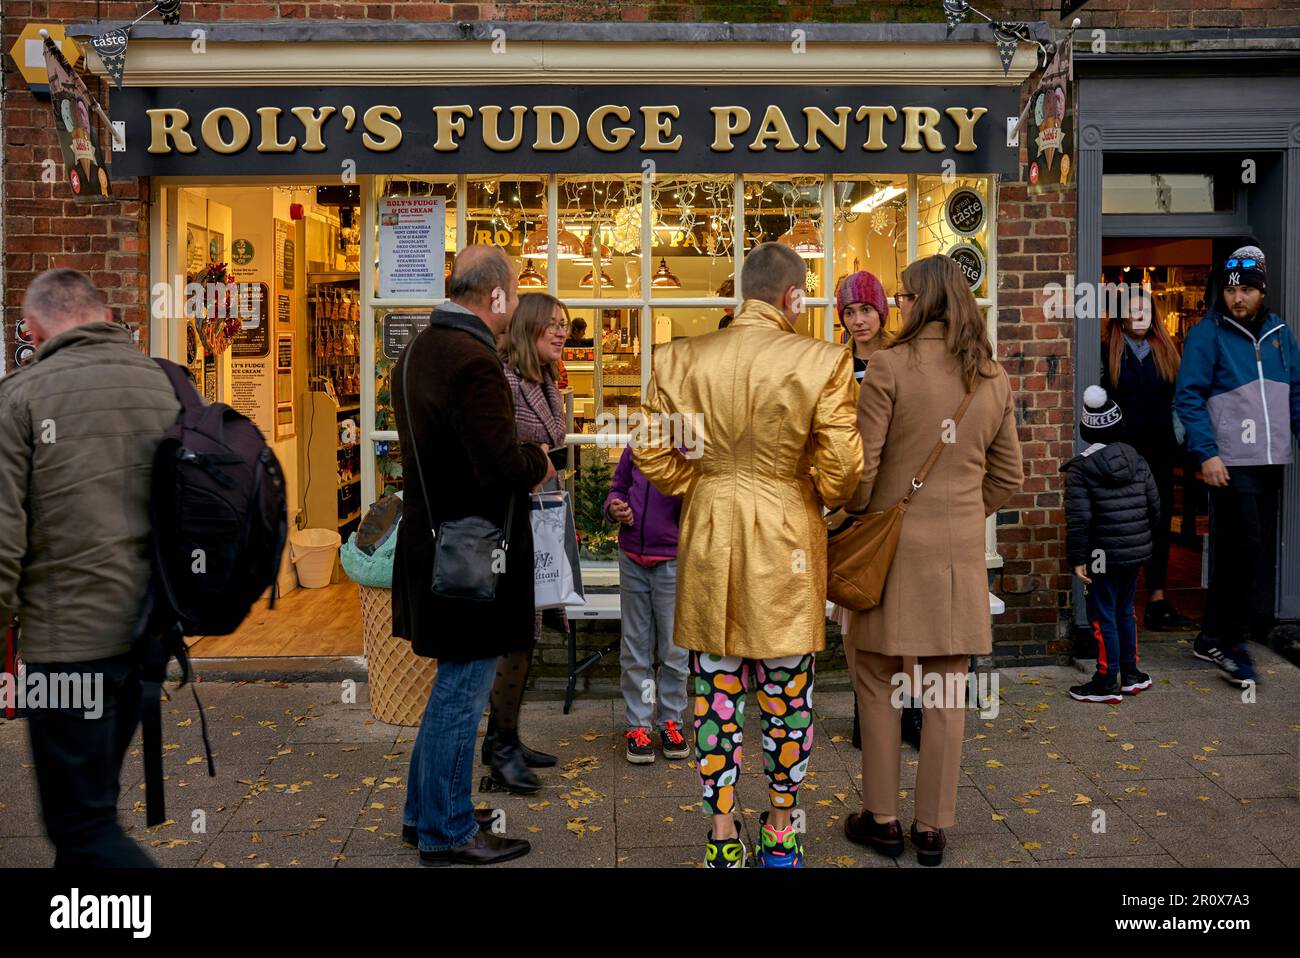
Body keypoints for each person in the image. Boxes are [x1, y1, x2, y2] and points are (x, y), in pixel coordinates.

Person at [634, 241, 863, 868]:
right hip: (787, 535)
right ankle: (782, 828)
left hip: (710, 529)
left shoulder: (678, 358)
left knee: (714, 692)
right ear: (793, 297)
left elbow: (650, 452)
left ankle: (723, 834)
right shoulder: (823, 361)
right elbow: (844, 472)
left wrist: (702, 484)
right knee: (787, 694)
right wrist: (804, 487)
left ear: (742, 292)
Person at [842, 254, 1022, 867]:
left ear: (924, 301)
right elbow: (1009, 474)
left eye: (904, 296)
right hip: (958, 556)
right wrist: (965, 515)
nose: (900, 305)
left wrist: (852, 516)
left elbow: (862, 472)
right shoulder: (991, 376)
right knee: (946, 689)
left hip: (890, 553)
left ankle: (883, 819)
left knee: (877, 681)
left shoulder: (889, 367)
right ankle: (932, 828)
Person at [0, 269, 181, 867]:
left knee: (81, 825)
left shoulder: (22, 397)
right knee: (91, 811)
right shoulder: (163, 386)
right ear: (105, 315)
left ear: (32, 328)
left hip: (67, 645)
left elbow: (4, 542)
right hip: (145, 639)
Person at [393, 245, 555, 866]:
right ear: (495, 297)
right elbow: (499, 467)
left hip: (431, 543)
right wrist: (538, 460)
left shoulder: (417, 351)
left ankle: (424, 813)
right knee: (462, 691)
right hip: (471, 555)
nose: (513, 307)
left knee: (449, 688)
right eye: (512, 296)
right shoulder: (474, 361)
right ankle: (449, 830)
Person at [1175, 245, 1300, 688]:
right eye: (1231, 290)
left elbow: (1296, 392)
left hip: (1271, 460)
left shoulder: (1281, 333)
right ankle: (1231, 643)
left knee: (1247, 551)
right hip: (1229, 461)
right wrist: (1207, 452)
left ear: (1261, 291)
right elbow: (1188, 397)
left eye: (1247, 289)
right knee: (1242, 549)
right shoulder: (1207, 333)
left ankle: (1211, 635)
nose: (1238, 298)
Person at [479, 293, 572, 792]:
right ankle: (499, 748)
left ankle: (507, 736)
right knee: (514, 635)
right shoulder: (507, 378)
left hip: (538, 513)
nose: (561, 332)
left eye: (564, 325)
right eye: (551, 325)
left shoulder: (544, 377)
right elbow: (502, 447)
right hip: (511, 519)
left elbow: (547, 439)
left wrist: (537, 453)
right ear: (528, 327)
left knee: (527, 632)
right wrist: (534, 455)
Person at [1062, 386, 1160, 704]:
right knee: (1125, 610)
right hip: (1133, 551)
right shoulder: (1138, 460)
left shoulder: (1081, 469)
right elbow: (1154, 506)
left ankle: (1106, 680)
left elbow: (1080, 519)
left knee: (1102, 613)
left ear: (1086, 430)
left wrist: (1078, 558)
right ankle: (1131, 675)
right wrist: (1139, 540)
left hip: (1101, 553)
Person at [1101, 286, 1189, 631]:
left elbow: (1178, 401)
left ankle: (1156, 596)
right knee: (1122, 525)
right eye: (1133, 311)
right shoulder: (1108, 352)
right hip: (1122, 455)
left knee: (1158, 522)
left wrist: (1177, 436)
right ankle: (1122, 601)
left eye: (1146, 311)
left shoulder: (1166, 352)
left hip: (1159, 453)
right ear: (1122, 315)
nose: (1140, 317)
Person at [604, 444, 689, 764]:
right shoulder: (635, 447)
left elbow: (700, 502)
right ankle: (639, 725)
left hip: (671, 561)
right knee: (634, 647)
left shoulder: (690, 451)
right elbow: (618, 488)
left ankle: (670, 722)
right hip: (631, 558)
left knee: (673, 649)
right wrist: (614, 507)